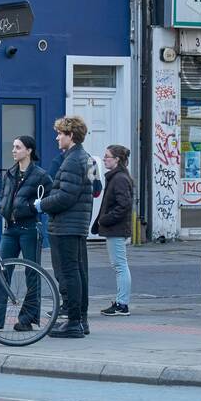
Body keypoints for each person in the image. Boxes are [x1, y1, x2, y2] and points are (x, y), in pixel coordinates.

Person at [35, 116, 94, 338]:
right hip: (76, 224)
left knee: (68, 273)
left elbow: (65, 197)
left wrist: (42, 204)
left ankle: (73, 321)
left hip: (66, 224)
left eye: (60, 133)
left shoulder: (72, 160)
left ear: (71, 135)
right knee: (78, 272)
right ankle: (80, 320)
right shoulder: (84, 158)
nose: (57, 137)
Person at [0, 136, 52, 331]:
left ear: (29, 150)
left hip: (29, 228)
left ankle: (27, 319)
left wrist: (31, 207)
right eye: (13, 147)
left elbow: (48, 200)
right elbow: (4, 196)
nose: (13, 150)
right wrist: (3, 208)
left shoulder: (41, 175)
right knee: (2, 272)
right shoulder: (9, 173)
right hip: (10, 229)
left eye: (18, 147)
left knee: (32, 274)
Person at [94, 144, 134, 316]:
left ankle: (122, 304)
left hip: (116, 228)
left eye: (107, 156)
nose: (104, 159)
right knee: (119, 265)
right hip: (115, 228)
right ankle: (121, 302)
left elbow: (124, 205)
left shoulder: (119, 179)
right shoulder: (117, 177)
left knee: (120, 265)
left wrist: (105, 219)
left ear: (117, 159)